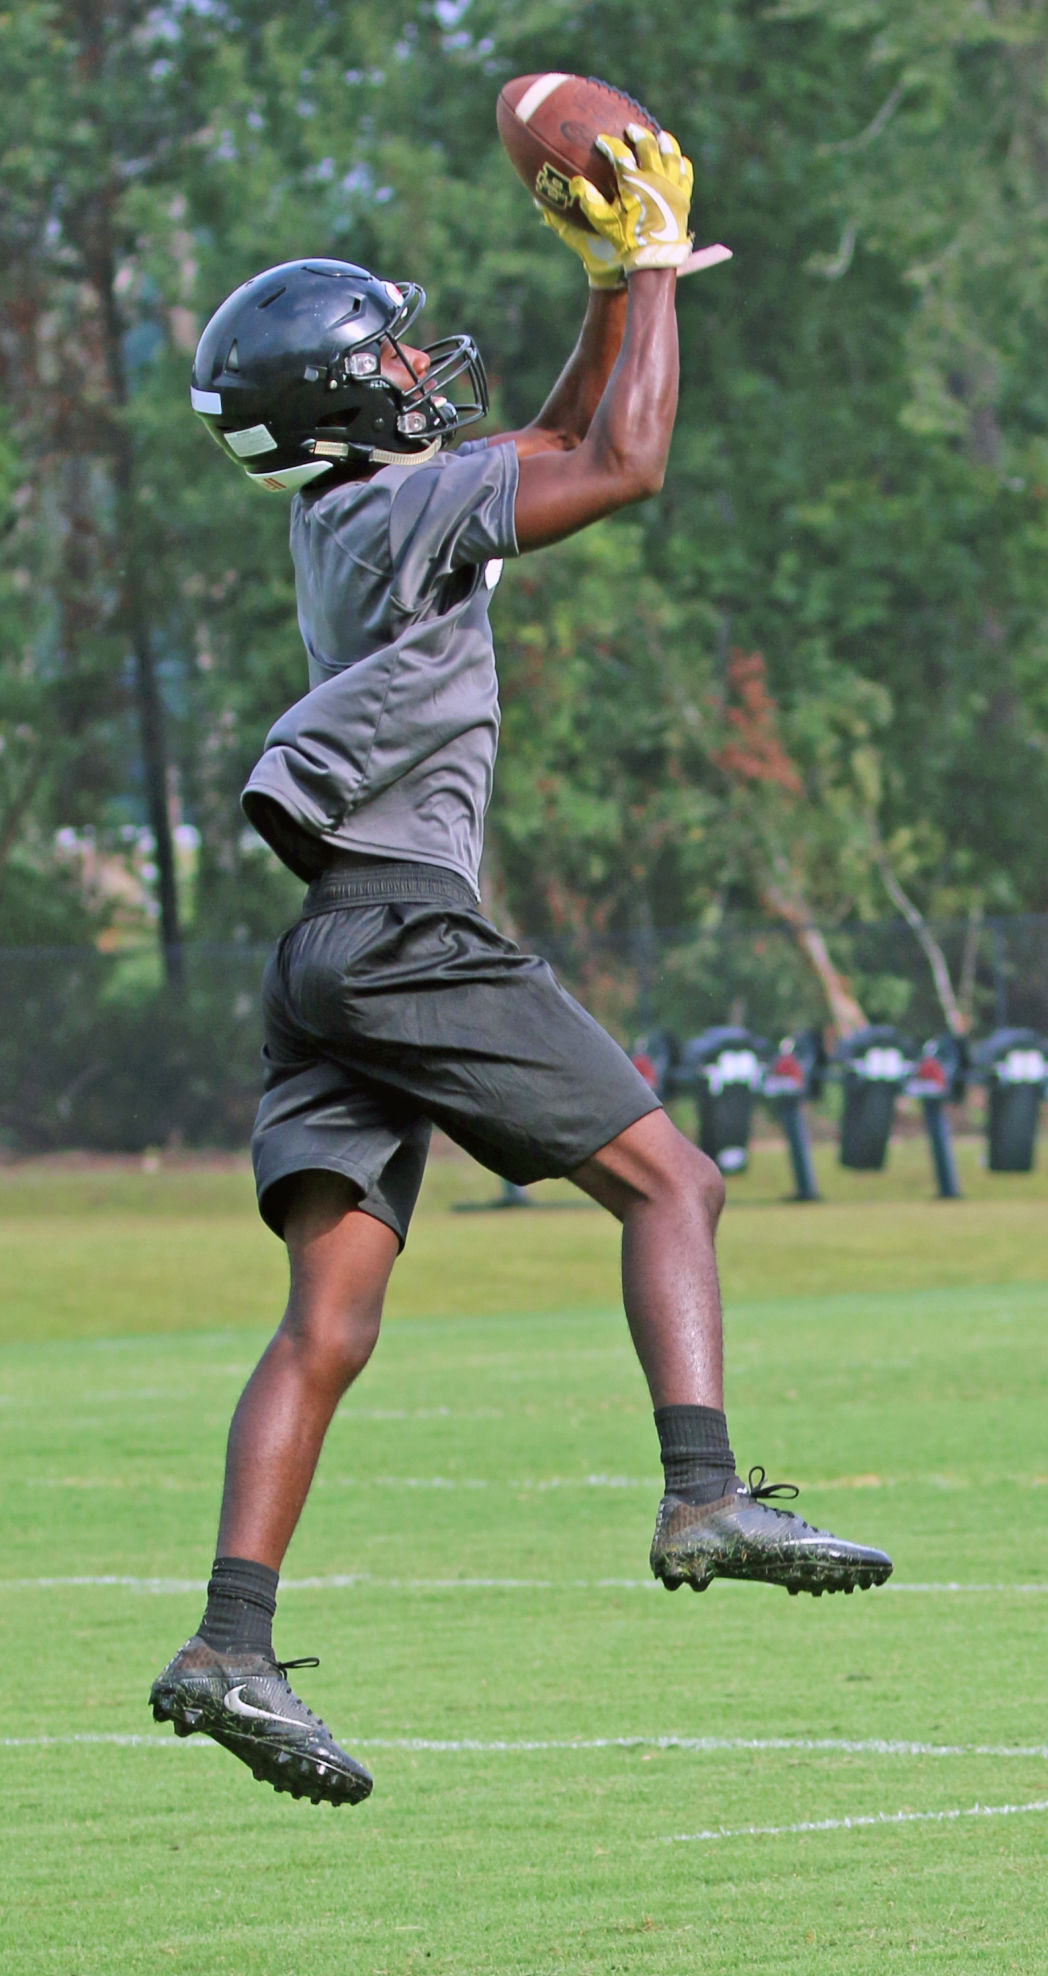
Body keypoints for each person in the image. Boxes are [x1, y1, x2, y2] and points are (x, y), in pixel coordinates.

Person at [150, 128, 891, 1807]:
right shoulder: (407, 503)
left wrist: (620, 281)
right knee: (677, 1184)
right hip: (410, 931)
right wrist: (645, 268)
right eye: (394, 355)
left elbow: (562, 431)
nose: (422, 367)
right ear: (350, 408)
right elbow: (620, 462)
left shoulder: (361, 512)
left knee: (327, 1324)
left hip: (331, 942)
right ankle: (703, 1492)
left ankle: (229, 1646)